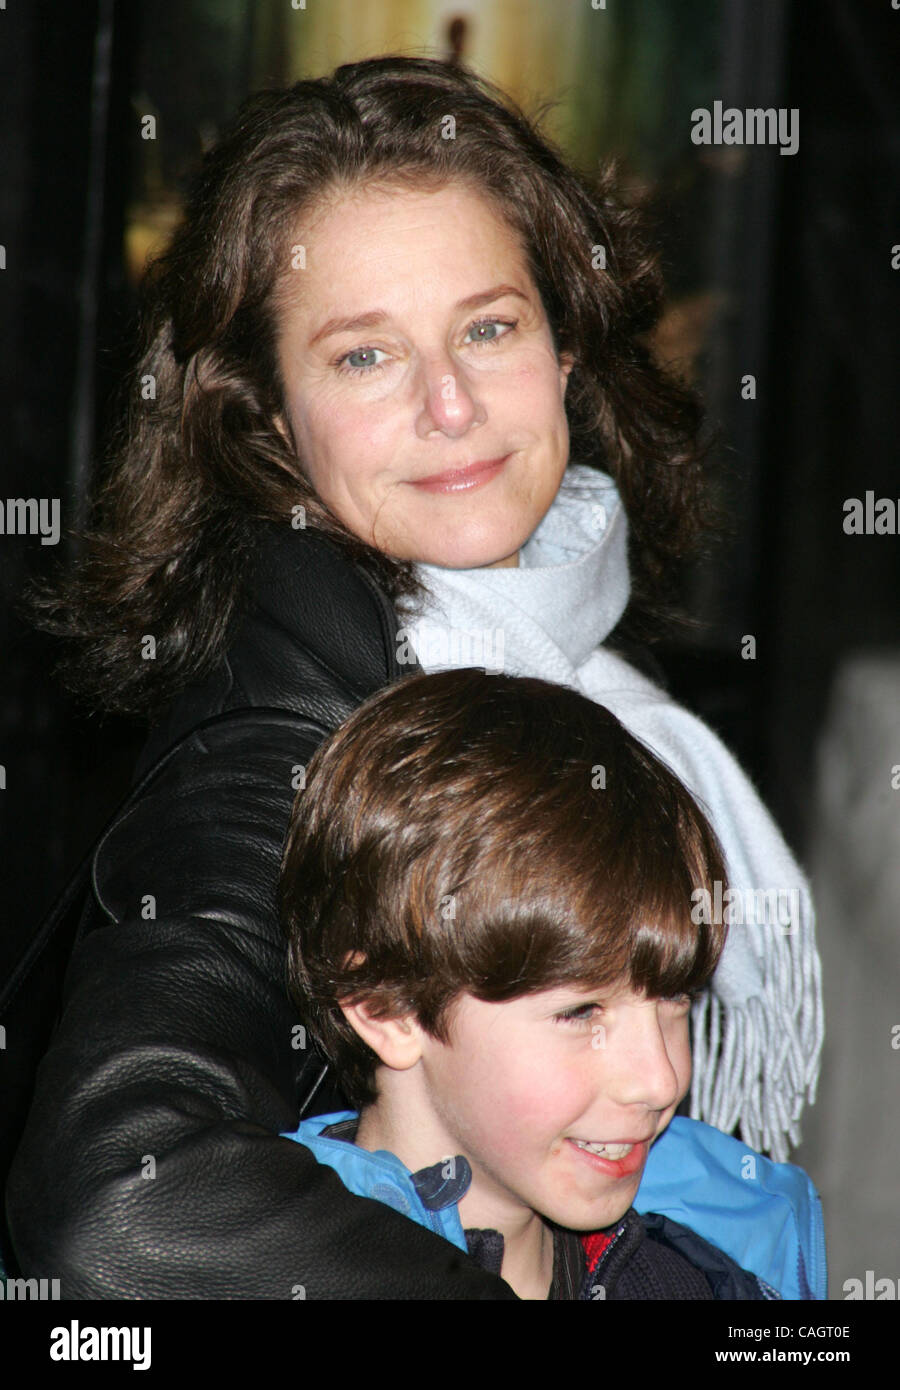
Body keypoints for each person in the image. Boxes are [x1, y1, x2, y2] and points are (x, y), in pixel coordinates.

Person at [5, 54, 822, 1298]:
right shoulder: (292, 707)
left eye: (489, 328)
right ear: (270, 419)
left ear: (564, 352)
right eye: (364, 357)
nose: (452, 404)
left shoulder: (576, 648)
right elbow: (123, 1199)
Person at [278, 667, 823, 1301]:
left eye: (676, 997)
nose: (662, 1081)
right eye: (582, 1011)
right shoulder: (264, 1270)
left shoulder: (715, 1267)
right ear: (386, 1008)